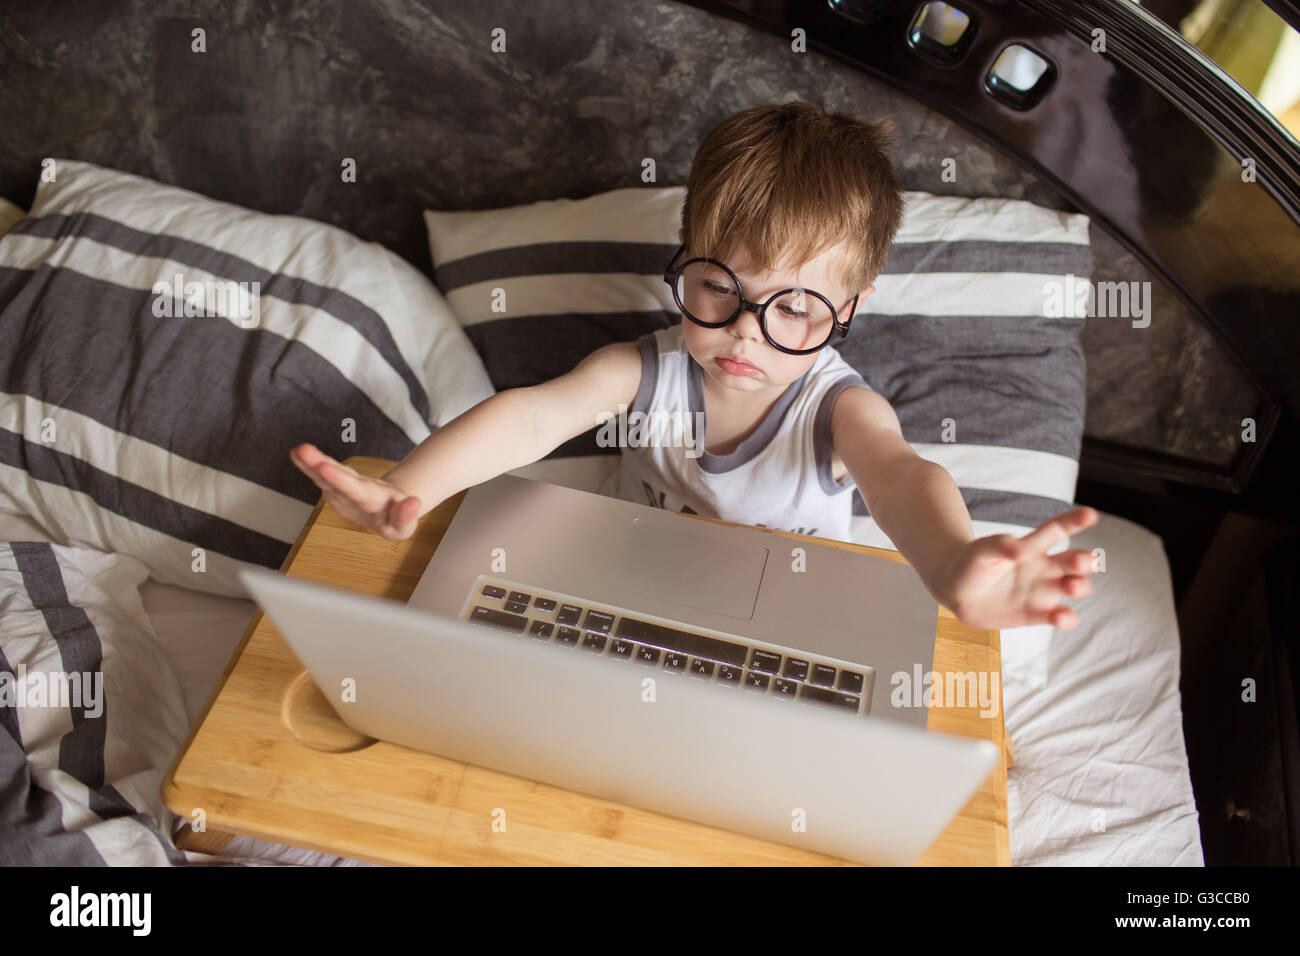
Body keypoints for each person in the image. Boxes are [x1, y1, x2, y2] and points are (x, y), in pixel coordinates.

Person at [290, 102, 1098, 631]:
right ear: (686, 262)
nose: (745, 336)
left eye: (794, 309)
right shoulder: (645, 371)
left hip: (777, 625)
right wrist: (412, 487)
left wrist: (956, 561)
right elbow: (531, 416)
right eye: (718, 288)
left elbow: (900, 480)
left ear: (849, 308)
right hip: (618, 595)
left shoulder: (835, 414)